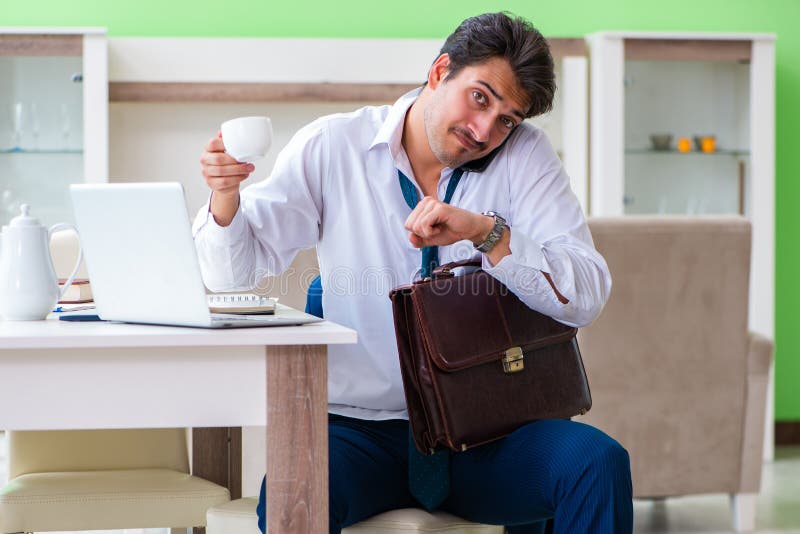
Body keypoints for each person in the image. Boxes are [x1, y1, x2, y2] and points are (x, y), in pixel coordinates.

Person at [194, 12, 632, 534]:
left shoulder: (525, 157)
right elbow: (229, 273)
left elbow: (586, 291)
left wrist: (489, 233)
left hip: (488, 433)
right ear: (440, 70)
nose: (484, 130)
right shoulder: (335, 146)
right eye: (480, 97)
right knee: (297, 493)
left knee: (596, 462)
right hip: (360, 432)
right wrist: (225, 199)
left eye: (508, 119)